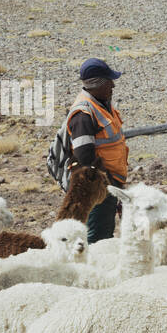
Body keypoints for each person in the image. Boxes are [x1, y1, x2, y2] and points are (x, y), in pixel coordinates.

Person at [65, 58, 128, 242]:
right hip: (98, 188)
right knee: (97, 239)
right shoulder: (84, 113)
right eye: (109, 81)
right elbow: (85, 158)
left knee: (105, 234)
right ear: (96, 84)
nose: (113, 86)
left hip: (109, 184)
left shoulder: (101, 104)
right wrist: (108, 183)